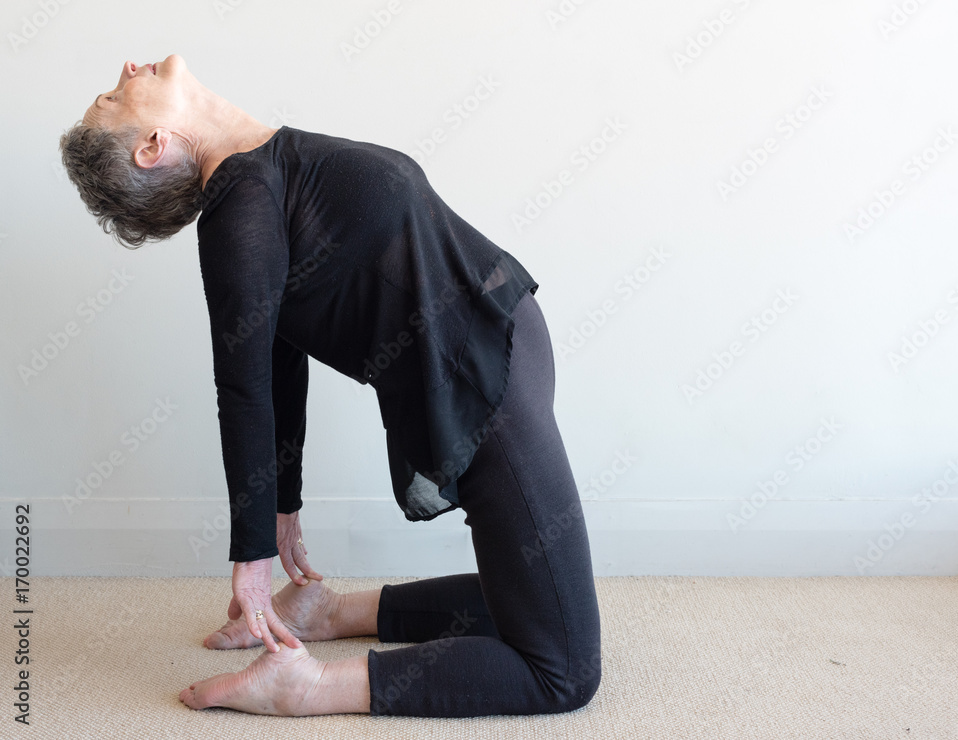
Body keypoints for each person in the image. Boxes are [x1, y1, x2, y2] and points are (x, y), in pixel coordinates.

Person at [60, 54, 601, 718]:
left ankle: (328, 612)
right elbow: (246, 386)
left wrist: (284, 506)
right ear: (152, 146)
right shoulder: (240, 208)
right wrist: (252, 556)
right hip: (486, 396)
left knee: (541, 598)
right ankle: (308, 685)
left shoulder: (267, 168)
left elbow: (284, 353)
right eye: (114, 97)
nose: (127, 68)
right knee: (563, 670)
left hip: (496, 365)